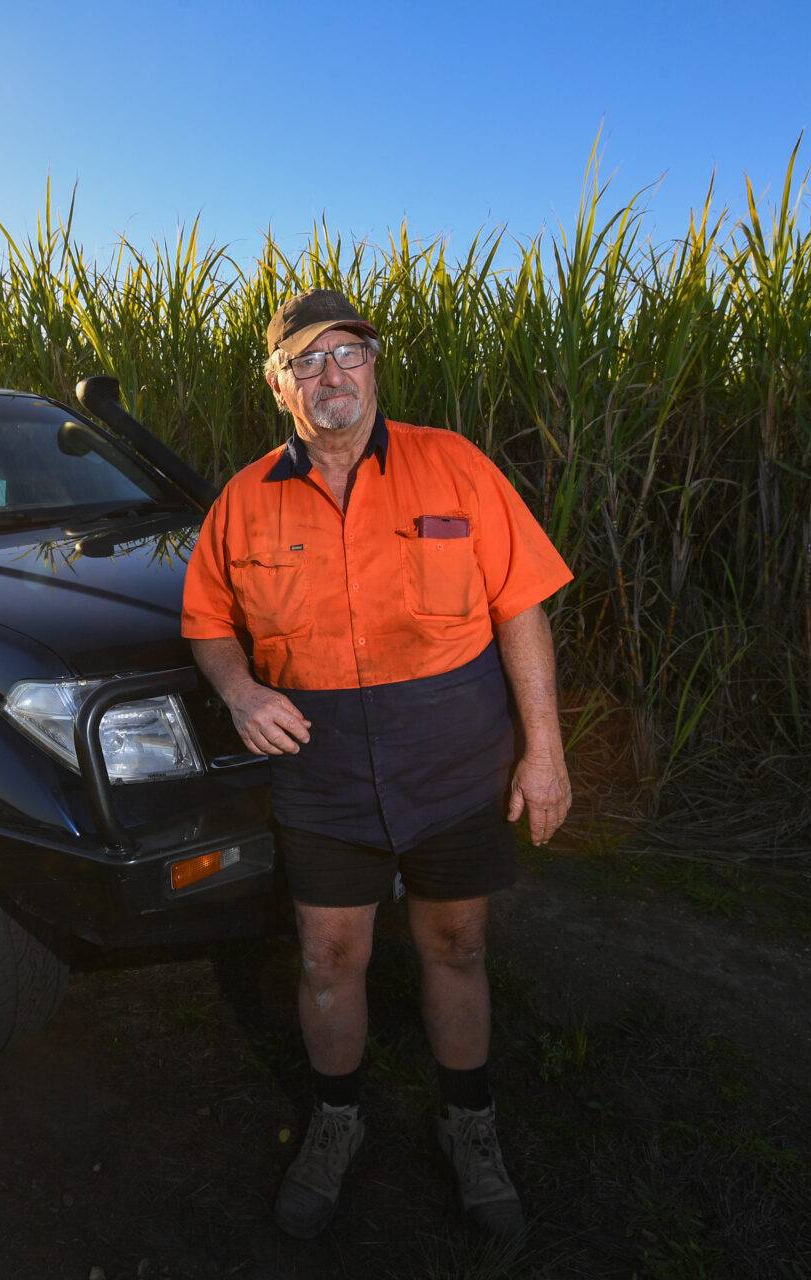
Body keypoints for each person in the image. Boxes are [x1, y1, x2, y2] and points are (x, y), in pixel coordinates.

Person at [180, 288, 573, 1242]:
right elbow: (208, 624)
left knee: (457, 945)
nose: (332, 375)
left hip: (455, 759)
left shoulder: (455, 464)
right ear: (278, 384)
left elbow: (521, 609)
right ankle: (336, 1120)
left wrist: (546, 752)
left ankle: (469, 1125)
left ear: (374, 365)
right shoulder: (243, 500)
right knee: (328, 957)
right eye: (307, 361)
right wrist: (240, 692)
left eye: (348, 353)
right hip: (321, 773)